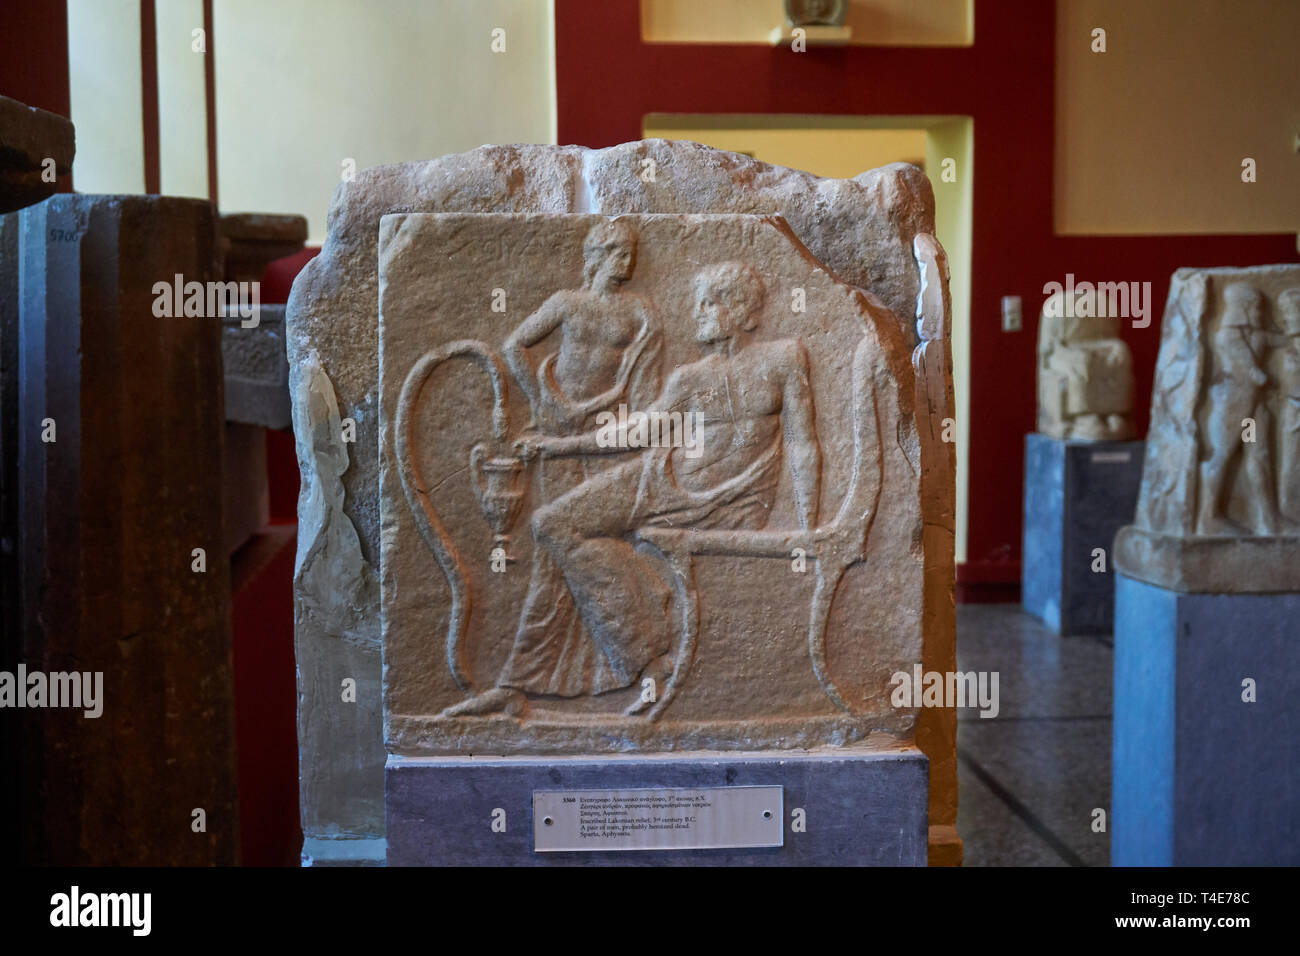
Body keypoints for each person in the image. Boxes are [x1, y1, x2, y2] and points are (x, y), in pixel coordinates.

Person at [522, 261, 821, 714]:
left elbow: (803, 443)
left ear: (739, 309)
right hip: (661, 481)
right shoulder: (690, 378)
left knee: (555, 526)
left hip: (724, 501)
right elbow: (640, 431)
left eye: (708, 303)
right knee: (551, 523)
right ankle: (631, 649)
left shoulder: (784, 358)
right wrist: (558, 447)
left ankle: (647, 660)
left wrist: (807, 529)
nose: (697, 312)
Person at [443, 219, 662, 717]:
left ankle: (633, 666)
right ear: (596, 254)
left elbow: (645, 390)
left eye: (629, 252)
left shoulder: (640, 312)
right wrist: (546, 398)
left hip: (608, 436)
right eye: (616, 251)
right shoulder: (567, 303)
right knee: (556, 552)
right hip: (558, 430)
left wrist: (618, 420)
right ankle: (527, 683)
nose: (625, 261)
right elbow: (514, 344)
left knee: (608, 544)